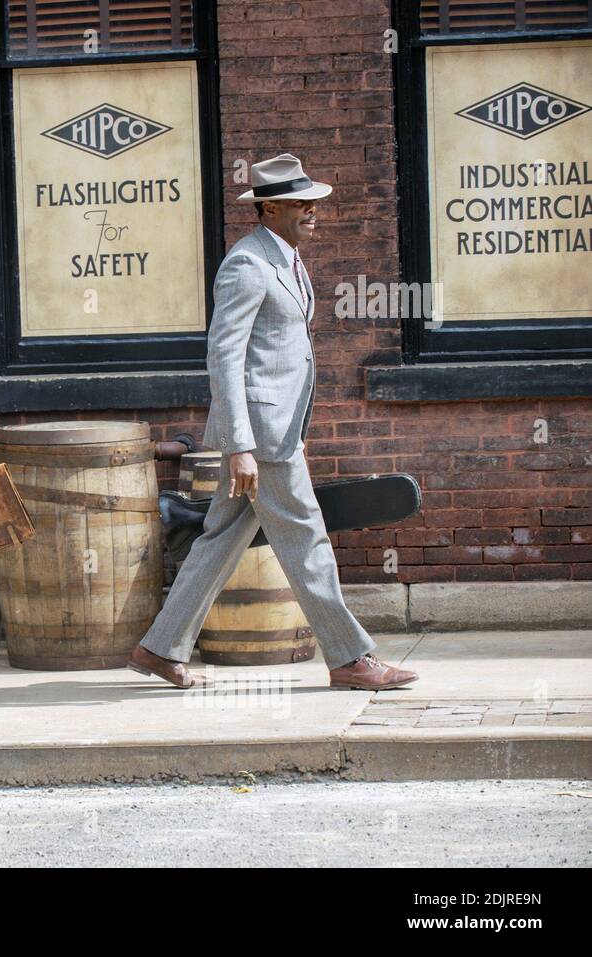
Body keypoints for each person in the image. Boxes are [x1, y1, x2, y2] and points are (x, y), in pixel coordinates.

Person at [128, 154, 417, 692]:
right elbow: (225, 358)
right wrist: (239, 445)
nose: (312, 210)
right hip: (259, 438)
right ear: (267, 208)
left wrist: (294, 432)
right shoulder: (246, 264)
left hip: (276, 432)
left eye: (314, 202)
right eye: (299, 202)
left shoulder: (286, 258)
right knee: (307, 539)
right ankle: (350, 657)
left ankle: (158, 648)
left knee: (219, 539)